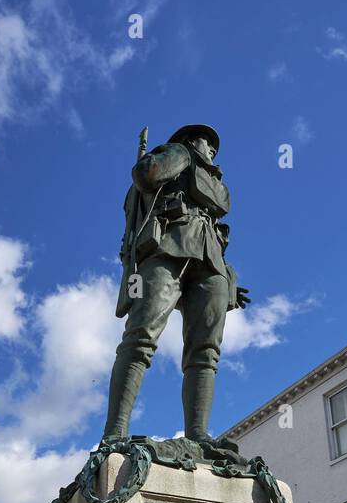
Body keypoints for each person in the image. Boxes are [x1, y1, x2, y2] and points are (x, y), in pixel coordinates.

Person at [104, 123, 250, 444]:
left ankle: (197, 434)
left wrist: (230, 280)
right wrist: (178, 155)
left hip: (210, 261)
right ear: (188, 141)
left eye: (214, 147)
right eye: (205, 142)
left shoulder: (214, 185)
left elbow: (215, 231)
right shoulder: (177, 155)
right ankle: (115, 432)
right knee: (140, 337)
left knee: (206, 351)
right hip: (167, 247)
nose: (210, 149)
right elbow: (147, 175)